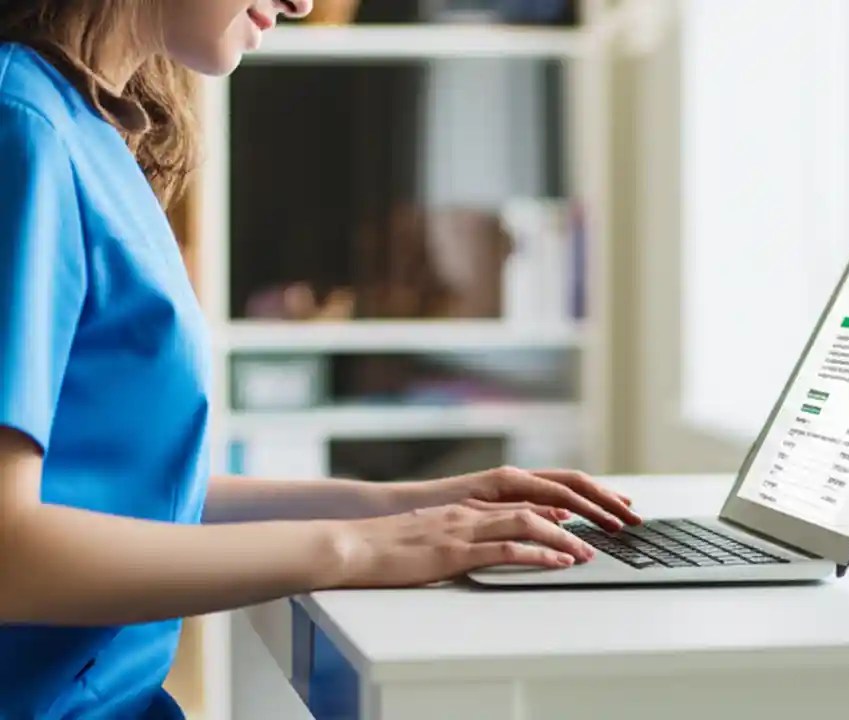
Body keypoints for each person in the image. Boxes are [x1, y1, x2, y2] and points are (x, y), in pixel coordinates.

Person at [0, 2, 640, 716]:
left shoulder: (84, 129)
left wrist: (402, 506)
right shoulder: (22, 131)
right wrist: (355, 549)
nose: (305, 2)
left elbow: (132, 495)